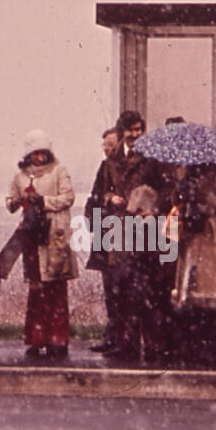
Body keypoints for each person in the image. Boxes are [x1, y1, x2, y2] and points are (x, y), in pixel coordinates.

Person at [103, 111, 170, 364]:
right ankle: (127, 344)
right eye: (130, 130)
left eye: (138, 129)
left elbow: (168, 188)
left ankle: (153, 345)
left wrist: (154, 209)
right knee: (123, 291)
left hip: (145, 229)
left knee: (146, 291)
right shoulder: (112, 158)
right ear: (121, 133)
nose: (135, 135)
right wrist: (111, 198)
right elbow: (104, 191)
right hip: (119, 228)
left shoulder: (152, 156)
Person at [6, 130, 78, 360]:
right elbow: (10, 203)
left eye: (42, 152)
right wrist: (19, 200)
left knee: (56, 290)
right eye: (35, 153)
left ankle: (57, 339)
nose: (39, 157)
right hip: (32, 239)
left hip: (54, 238)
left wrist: (43, 201)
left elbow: (68, 197)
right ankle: (37, 339)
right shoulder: (20, 176)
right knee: (36, 291)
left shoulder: (59, 171)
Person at [171, 160, 216, 365]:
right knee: (191, 292)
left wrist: (205, 198)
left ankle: (209, 347)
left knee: (211, 294)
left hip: (212, 235)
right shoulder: (185, 171)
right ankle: (192, 346)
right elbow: (176, 200)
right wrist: (181, 189)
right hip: (192, 235)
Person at [84, 126, 126, 352]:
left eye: (110, 144)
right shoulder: (106, 167)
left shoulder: (124, 167)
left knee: (120, 288)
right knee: (110, 289)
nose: (106, 149)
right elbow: (96, 195)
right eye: (105, 145)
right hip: (107, 232)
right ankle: (112, 335)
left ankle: (119, 337)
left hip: (120, 233)